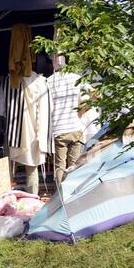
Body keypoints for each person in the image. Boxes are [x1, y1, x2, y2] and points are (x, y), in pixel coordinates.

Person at [48, 58, 88, 186]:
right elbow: (95, 94)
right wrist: (81, 111)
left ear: (53, 63)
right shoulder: (76, 78)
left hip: (59, 130)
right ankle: (73, 194)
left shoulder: (49, 81)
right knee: (74, 165)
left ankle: (60, 195)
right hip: (76, 128)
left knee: (60, 165)